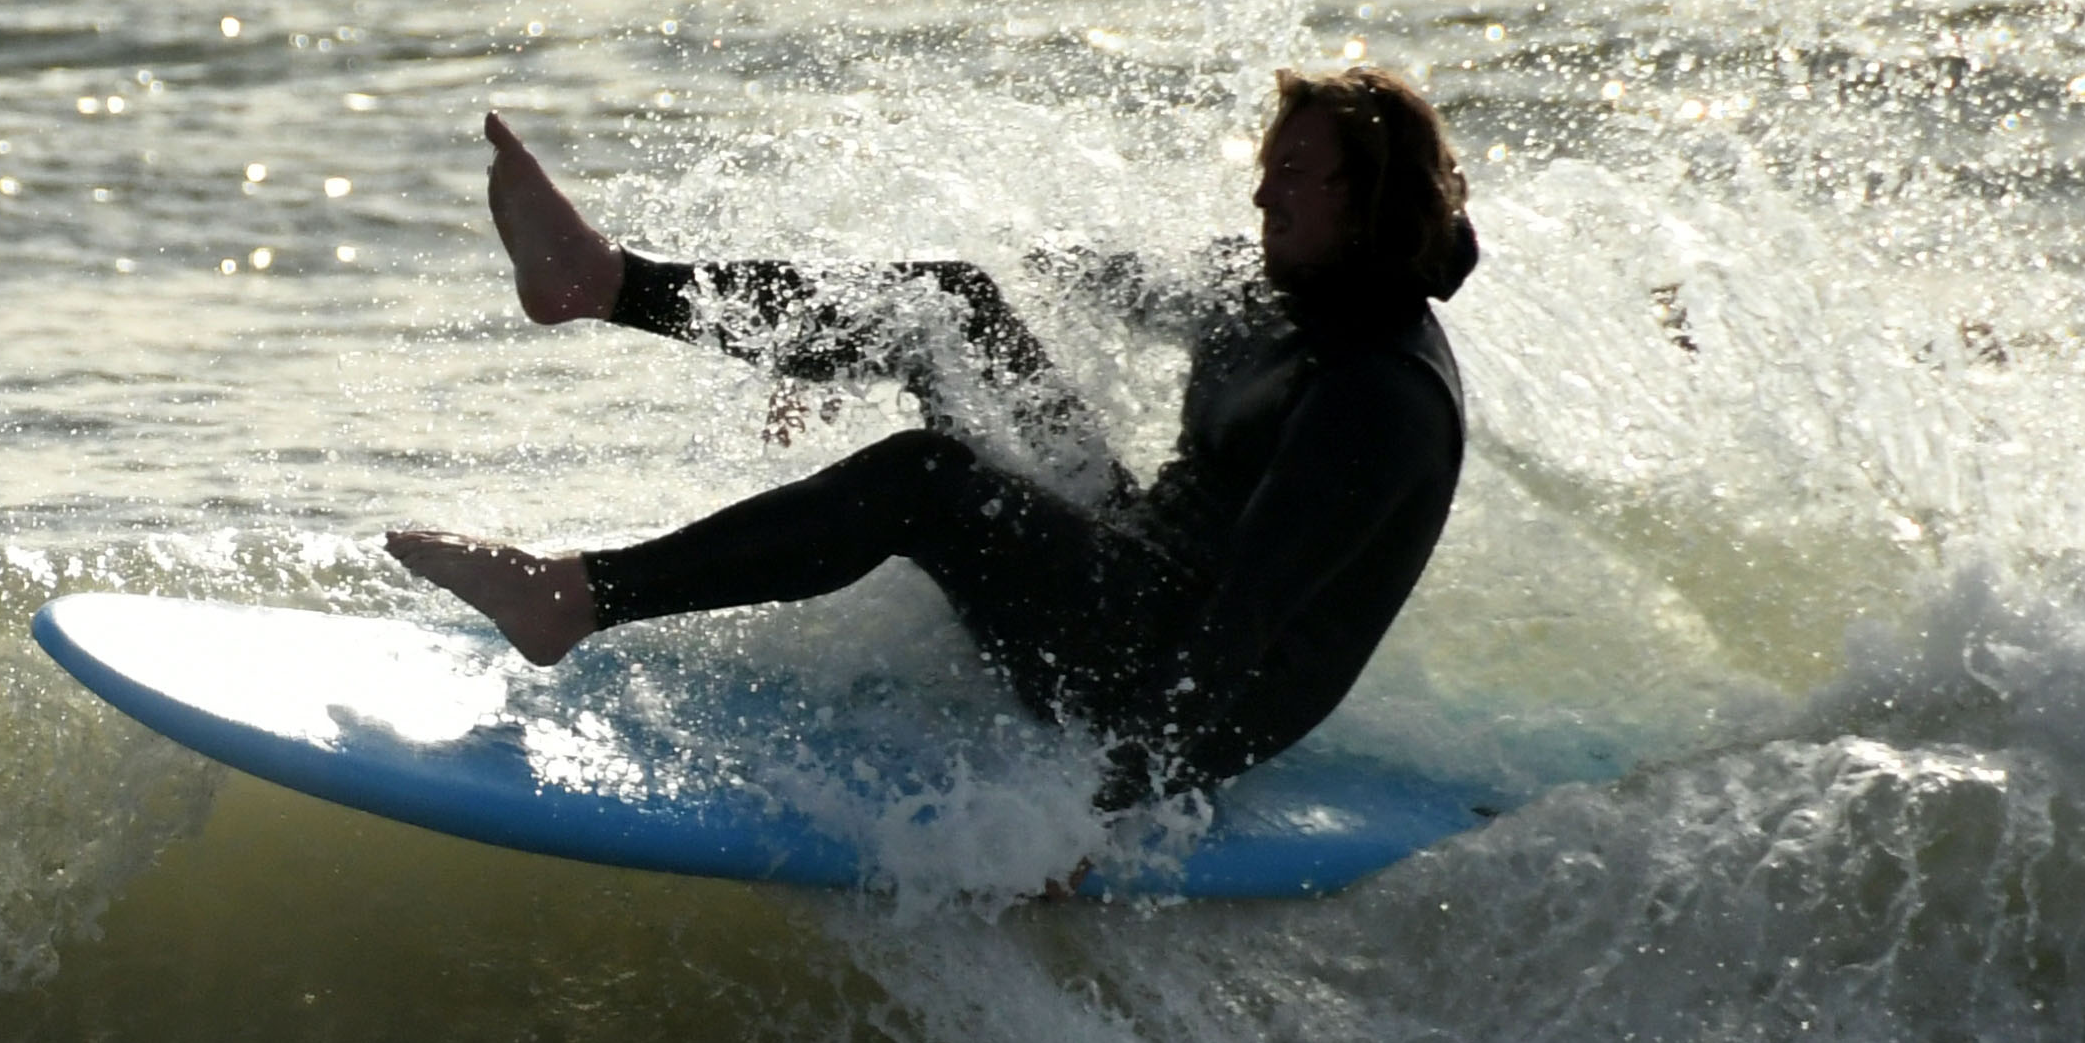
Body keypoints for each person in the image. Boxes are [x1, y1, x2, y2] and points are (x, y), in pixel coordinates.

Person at [388, 68, 1477, 805]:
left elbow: (1240, 630)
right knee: (950, 304)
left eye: (1292, 173)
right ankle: (606, 281)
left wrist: (1101, 805)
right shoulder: (1275, 283)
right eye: (1268, 162)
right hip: (1134, 582)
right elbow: (1074, 279)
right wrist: (827, 338)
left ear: (1365, 199)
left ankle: (571, 598)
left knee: (930, 481)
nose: (1259, 191)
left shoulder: (1377, 401)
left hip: (1157, 687)